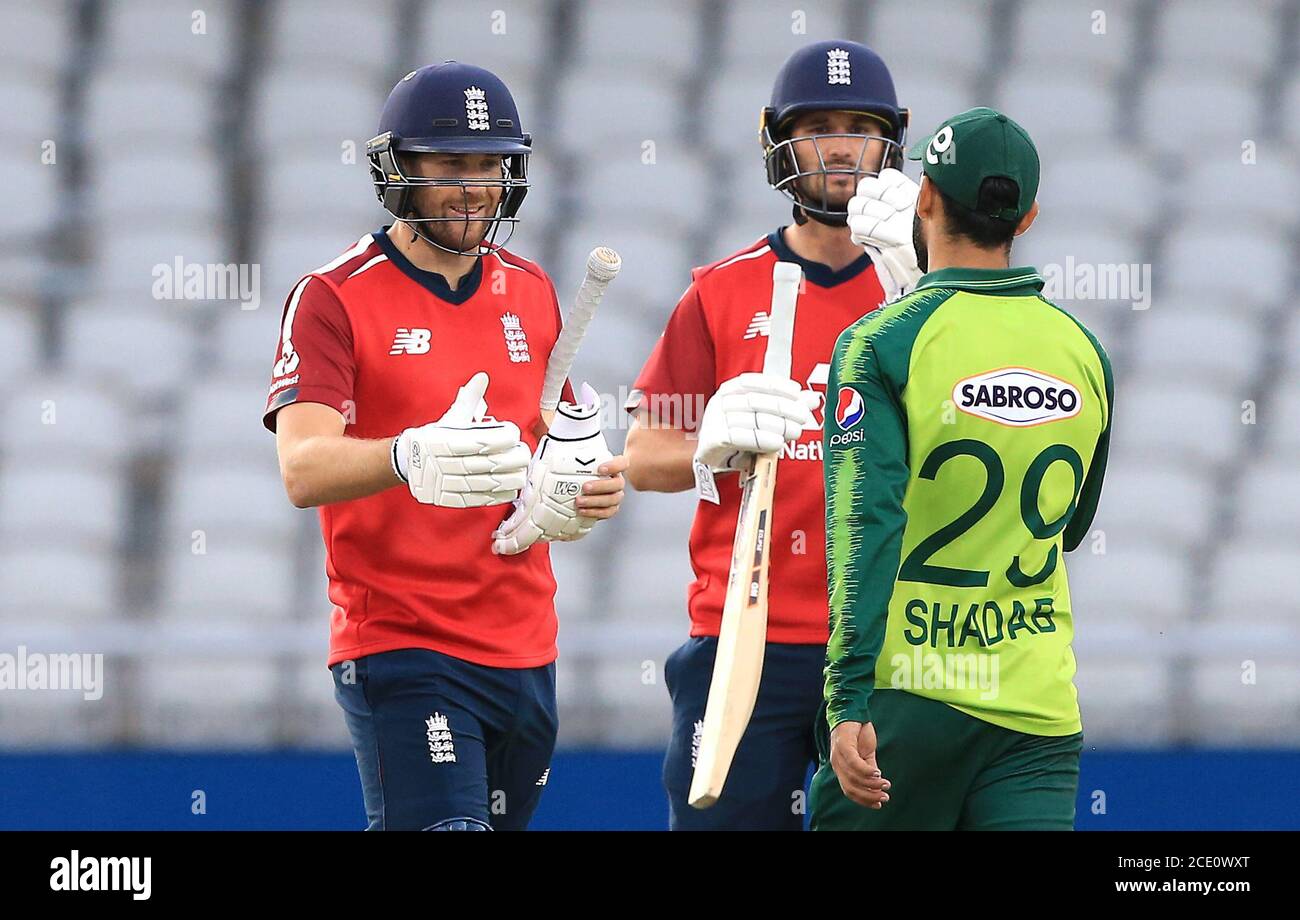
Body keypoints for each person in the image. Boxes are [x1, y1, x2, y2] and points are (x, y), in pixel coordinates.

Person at [263, 61, 628, 831]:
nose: (475, 186)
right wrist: (407, 454)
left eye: (491, 165)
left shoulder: (528, 286)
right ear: (398, 170)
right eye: (450, 163)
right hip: (403, 640)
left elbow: (556, 447)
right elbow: (301, 468)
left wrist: (586, 491)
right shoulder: (332, 295)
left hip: (526, 640)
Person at [623, 40, 914, 830]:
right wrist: (709, 446)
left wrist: (921, 288)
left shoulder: (920, 296)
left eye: (861, 126)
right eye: (817, 125)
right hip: (742, 637)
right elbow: (644, 456)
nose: (841, 146)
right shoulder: (720, 291)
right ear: (779, 143)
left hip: (886, 640)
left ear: (892, 144)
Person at [813, 107, 1114, 831]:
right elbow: (1072, 528)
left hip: (907, 701)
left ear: (924, 199)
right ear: (1030, 215)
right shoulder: (1085, 353)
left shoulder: (879, 343)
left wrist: (847, 698)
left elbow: (865, 525)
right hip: (1037, 709)